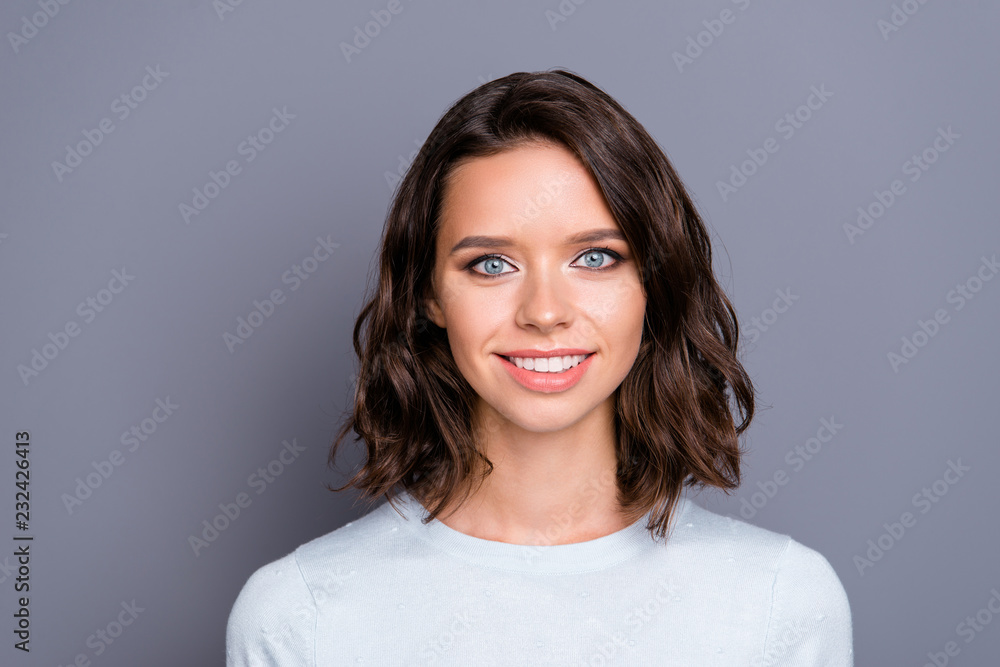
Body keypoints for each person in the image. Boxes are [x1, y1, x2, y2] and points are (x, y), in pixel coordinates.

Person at [226, 69, 853, 665]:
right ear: (429, 295)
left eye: (596, 258)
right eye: (492, 265)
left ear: (653, 283)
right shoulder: (300, 619)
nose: (545, 312)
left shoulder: (780, 602)